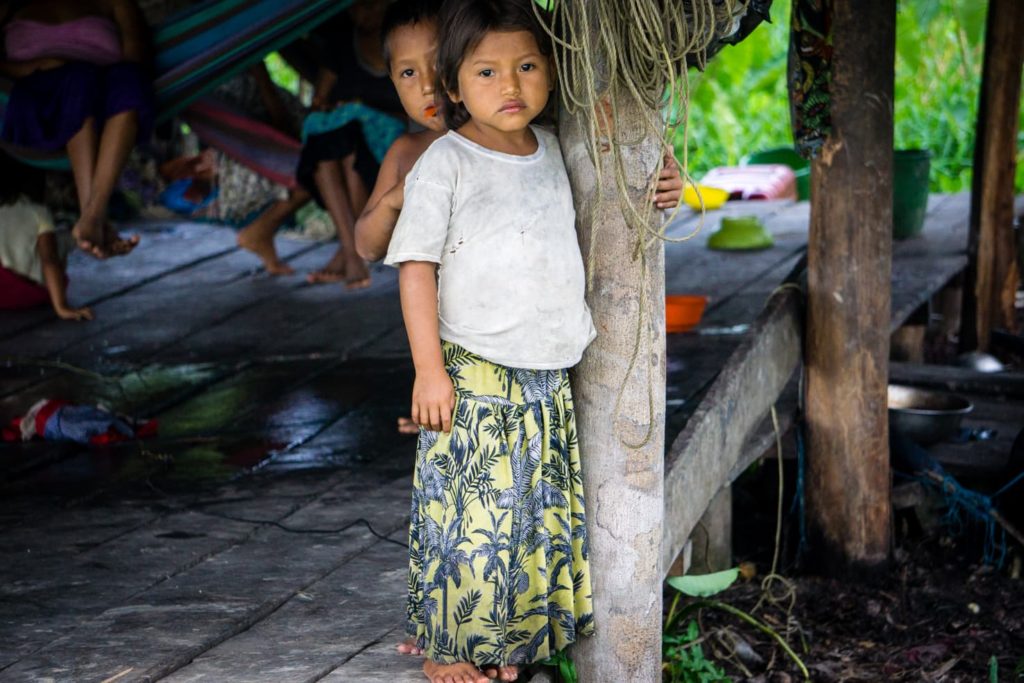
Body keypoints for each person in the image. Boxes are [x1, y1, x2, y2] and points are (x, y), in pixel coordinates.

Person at [384, 2, 597, 680]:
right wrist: (428, 370)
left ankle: (504, 645)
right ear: (452, 85)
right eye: (487, 71)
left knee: (529, 518)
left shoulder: (559, 148)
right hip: (473, 368)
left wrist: (665, 183)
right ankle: (450, 649)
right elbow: (416, 264)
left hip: (545, 373)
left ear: (552, 71)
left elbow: (626, 188)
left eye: (527, 66)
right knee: (470, 518)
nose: (511, 86)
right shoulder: (445, 163)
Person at [356, 0, 683, 441]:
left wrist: (656, 174)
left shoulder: (536, 139)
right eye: (408, 73)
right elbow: (369, 247)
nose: (428, 84)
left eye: (436, 63)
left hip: (540, 357)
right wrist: (401, 198)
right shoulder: (412, 156)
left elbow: (612, 164)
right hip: (466, 355)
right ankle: (431, 404)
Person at [237, 0, 405, 287]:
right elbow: (320, 101)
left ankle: (350, 252)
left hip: (387, 136)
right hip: (342, 138)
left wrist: (364, 107)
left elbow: (416, 103)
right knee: (335, 140)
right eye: (356, 7)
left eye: (369, 6)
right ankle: (353, 251)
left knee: (349, 147)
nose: (362, 12)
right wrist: (333, 106)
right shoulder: (342, 41)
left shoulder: (404, 42)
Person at [0, 0, 152, 258]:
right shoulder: (9, 5)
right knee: (78, 81)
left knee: (128, 82)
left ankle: (91, 218)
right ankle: (95, 218)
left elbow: (136, 57)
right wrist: (36, 66)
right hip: (40, 97)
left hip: (107, 91)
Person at [0, 152, 91, 320]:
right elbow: (50, 260)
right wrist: (62, 307)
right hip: (29, 295)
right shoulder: (38, 212)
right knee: (58, 243)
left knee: (62, 239)